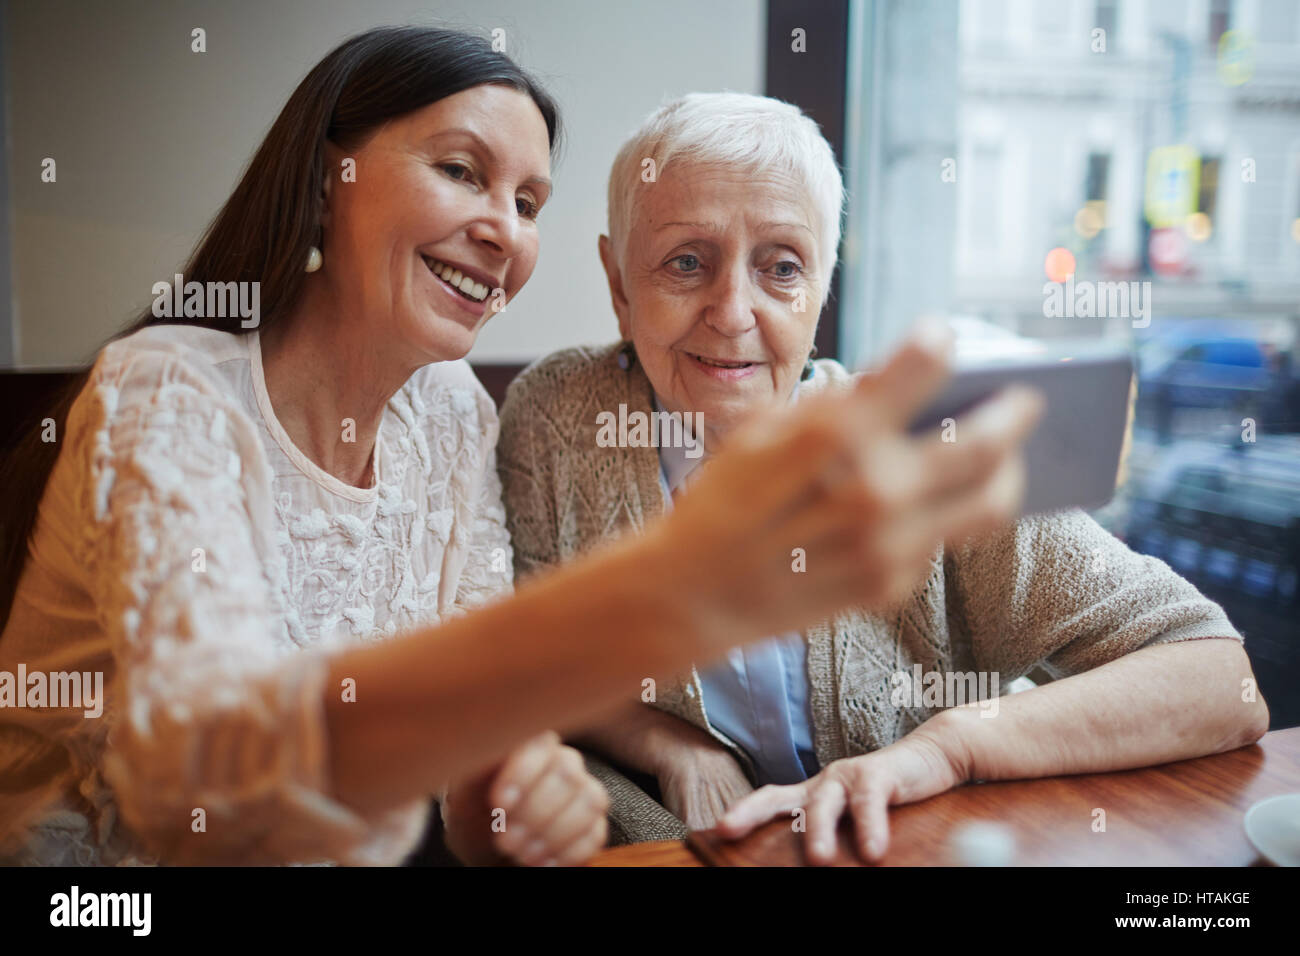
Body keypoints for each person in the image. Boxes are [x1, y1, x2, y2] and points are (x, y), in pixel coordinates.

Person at [0, 29, 1041, 867]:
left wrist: (503, 806)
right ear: (329, 182)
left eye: (528, 201)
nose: (502, 227)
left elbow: (462, 783)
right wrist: (679, 585)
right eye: (463, 172)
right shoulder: (168, 389)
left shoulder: (452, 411)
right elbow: (206, 789)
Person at [496, 92, 1270, 863]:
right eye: (686, 262)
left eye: (782, 267)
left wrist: (948, 748)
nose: (732, 311)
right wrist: (670, 746)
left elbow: (1218, 679)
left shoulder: (922, 440)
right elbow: (517, 657)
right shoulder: (559, 419)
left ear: (823, 286)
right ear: (619, 283)